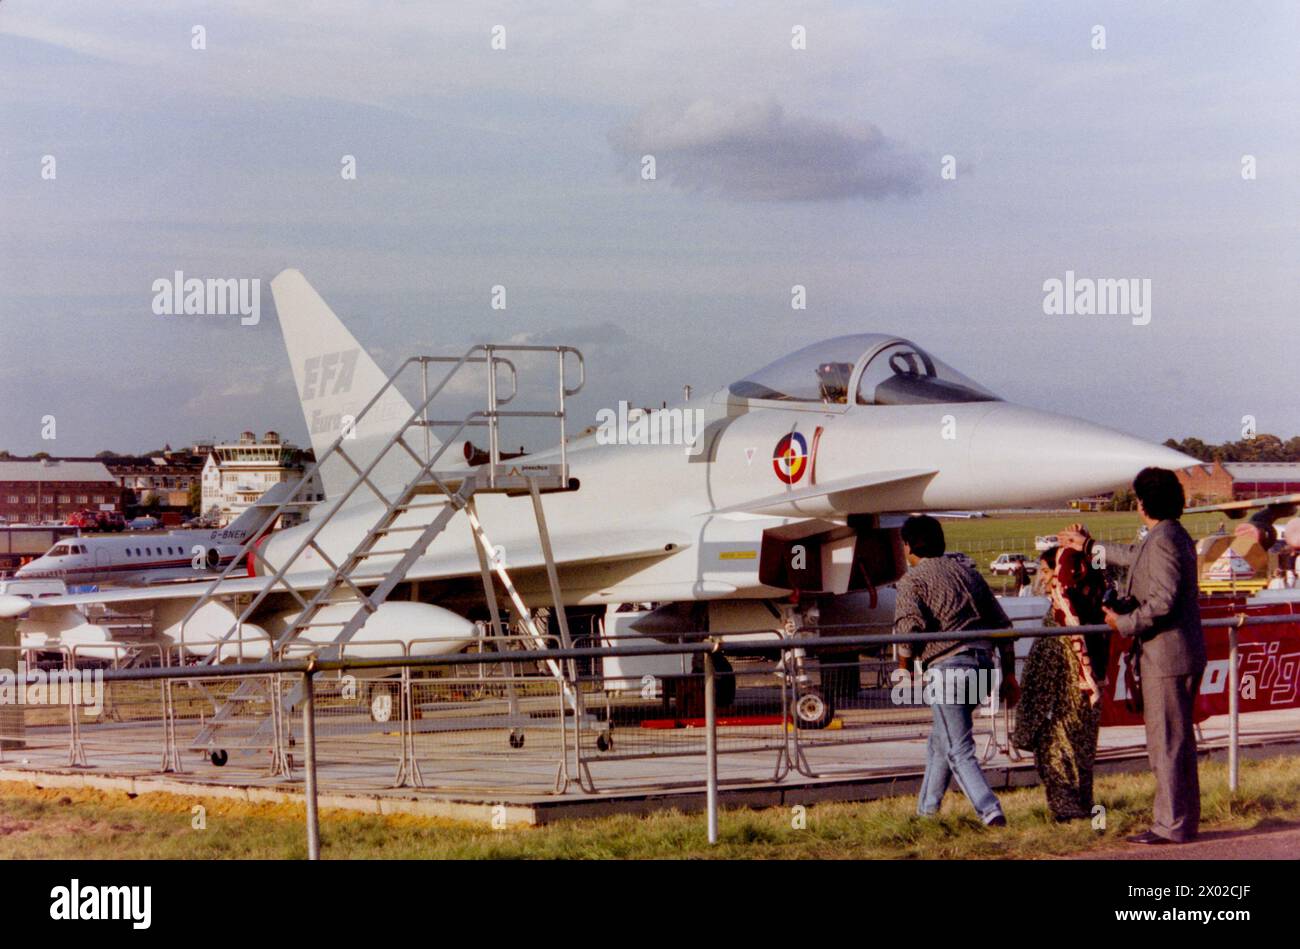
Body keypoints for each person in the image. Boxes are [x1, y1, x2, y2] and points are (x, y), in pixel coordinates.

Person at [1058, 467, 1206, 845]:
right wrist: (1089, 547)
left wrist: (1123, 622)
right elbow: (1130, 556)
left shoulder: (1164, 540)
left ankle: (1171, 825)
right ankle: (1181, 820)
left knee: (1166, 743)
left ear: (1142, 504)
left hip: (1166, 657)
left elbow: (1164, 600)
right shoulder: (1168, 535)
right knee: (1176, 741)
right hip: (1175, 654)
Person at [893, 514, 1019, 826]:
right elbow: (1003, 626)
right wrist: (1011, 674)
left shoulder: (913, 580)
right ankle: (927, 813)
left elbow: (908, 629)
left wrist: (904, 667)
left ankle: (989, 810)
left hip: (947, 668)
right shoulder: (969, 573)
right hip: (983, 665)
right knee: (941, 741)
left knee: (958, 749)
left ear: (908, 546)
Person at [1013, 546, 1110, 821]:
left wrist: (1030, 719)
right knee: (1081, 762)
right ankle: (1083, 813)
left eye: (1046, 571)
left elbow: (1044, 672)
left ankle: (1071, 817)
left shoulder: (1064, 615)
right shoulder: (1090, 607)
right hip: (1082, 705)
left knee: (1062, 761)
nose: (1042, 579)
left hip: (1060, 709)